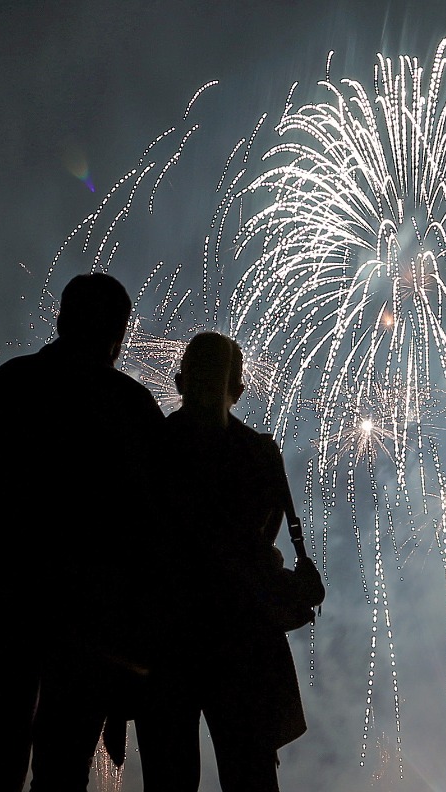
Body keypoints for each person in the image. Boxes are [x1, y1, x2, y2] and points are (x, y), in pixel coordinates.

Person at [0, 272, 165, 792]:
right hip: (91, 619)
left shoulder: (3, 388)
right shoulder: (133, 408)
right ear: (120, 335)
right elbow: (153, 534)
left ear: (61, 318)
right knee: (63, 768)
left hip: (7, 605)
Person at [134, 331, 308, 792]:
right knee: (249, 773)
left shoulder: (151, 447)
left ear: (178, 380)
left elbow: (132, 549)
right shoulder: (261, 454)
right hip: (239, 639)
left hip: (167, 640)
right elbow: (265, 544)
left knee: (171, 778)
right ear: (240, 389)